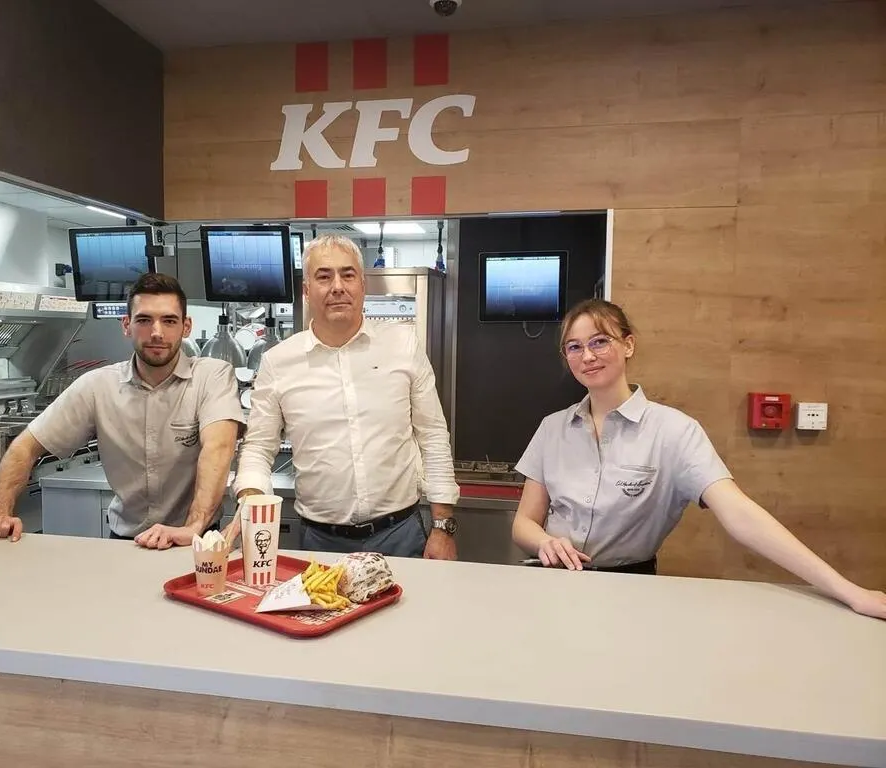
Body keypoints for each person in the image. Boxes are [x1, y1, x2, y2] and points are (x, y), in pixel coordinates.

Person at [512, 298, 886, 620]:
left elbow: (740, 514)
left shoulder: (675, 431)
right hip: (553, 585)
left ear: (628, 345)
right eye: (574, 347)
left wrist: (849, 591)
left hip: (630, 592)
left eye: (600, 341)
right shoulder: (552, 428)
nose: (588, 356)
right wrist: (545, 542)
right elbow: (524, 523)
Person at [232, 235, 460, 559]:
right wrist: (250, 502)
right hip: (320, 542)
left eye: (348, 275)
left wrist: (443, 526)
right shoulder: (278, 362)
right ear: (306, 290)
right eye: (324, 276)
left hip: (401, 535)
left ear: (362, 285)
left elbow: (433, 435)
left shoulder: (403, 345)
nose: (337, 286)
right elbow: (257, 447)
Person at [0, 273, 245, 549]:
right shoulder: (98, 386)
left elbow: (218, 448)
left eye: (169, 321)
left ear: (186, 326)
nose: (156, 333)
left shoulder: (211, 377)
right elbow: (24, 447)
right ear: (127, 325)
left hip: (195, 542)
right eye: (144, 320)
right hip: (126, 543)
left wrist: (192, 528)